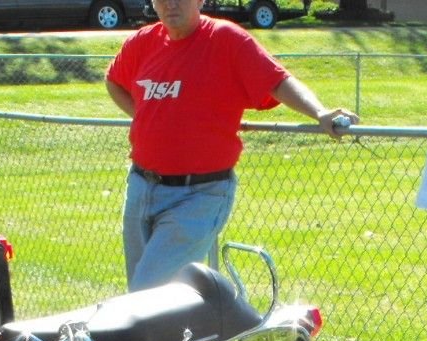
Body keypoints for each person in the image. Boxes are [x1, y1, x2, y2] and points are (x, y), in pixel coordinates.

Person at [103, 0, 358, 291]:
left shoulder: (226, 40)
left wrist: (319, 112)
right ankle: (190, 334)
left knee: (147, 293)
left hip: (198, 195)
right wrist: (145, 117)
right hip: (141, 186)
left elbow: (277, 81)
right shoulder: (142, 43)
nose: (171, 4)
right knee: (147, 301)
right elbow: (114, 81)